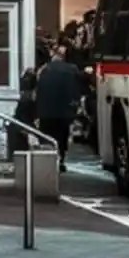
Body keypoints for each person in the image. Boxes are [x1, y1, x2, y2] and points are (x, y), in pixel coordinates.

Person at [35, 44, 81, 172]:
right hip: (64, 111)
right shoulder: (72, 69)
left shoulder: (43, 69)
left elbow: (37, 89)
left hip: (46, 110)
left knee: (47, 136)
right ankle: (60, 160)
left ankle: (47, 162)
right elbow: (77, 89)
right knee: (62, 137)